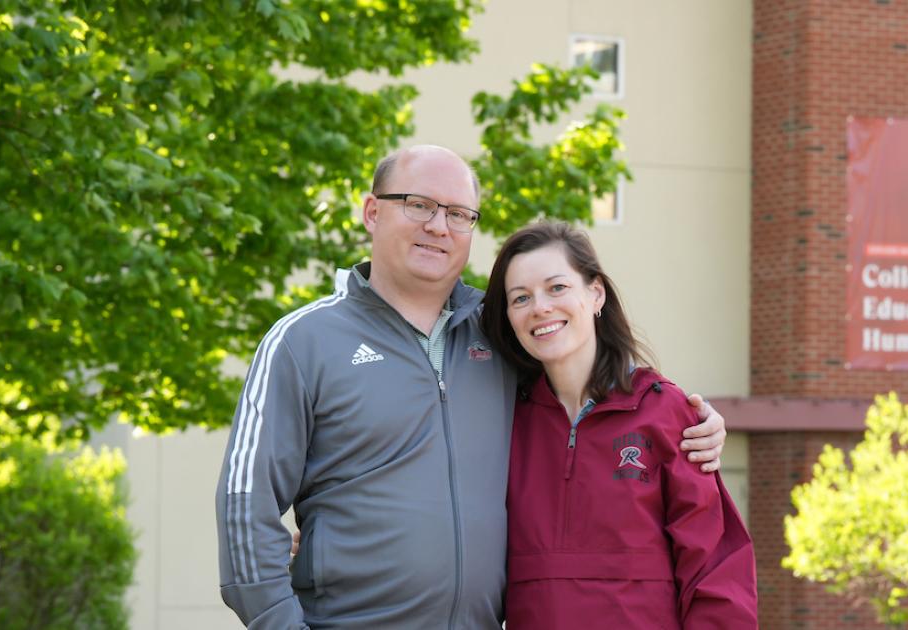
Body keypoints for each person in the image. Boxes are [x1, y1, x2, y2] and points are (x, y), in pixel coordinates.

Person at [215, 145, 728, 629]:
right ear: (372, 212)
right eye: (418, 205)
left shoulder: (502, 334)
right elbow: (245, 502)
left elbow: (591, 385)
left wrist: (690, 417)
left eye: (459, 214)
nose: (439, 226)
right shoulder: (304, 341)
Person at [480, 221, 757, 628]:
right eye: (520, 298)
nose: (540, 307)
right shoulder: (503, 419)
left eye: (557, 288)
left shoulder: (664, 411)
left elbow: (715, 569)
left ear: (595, 294)